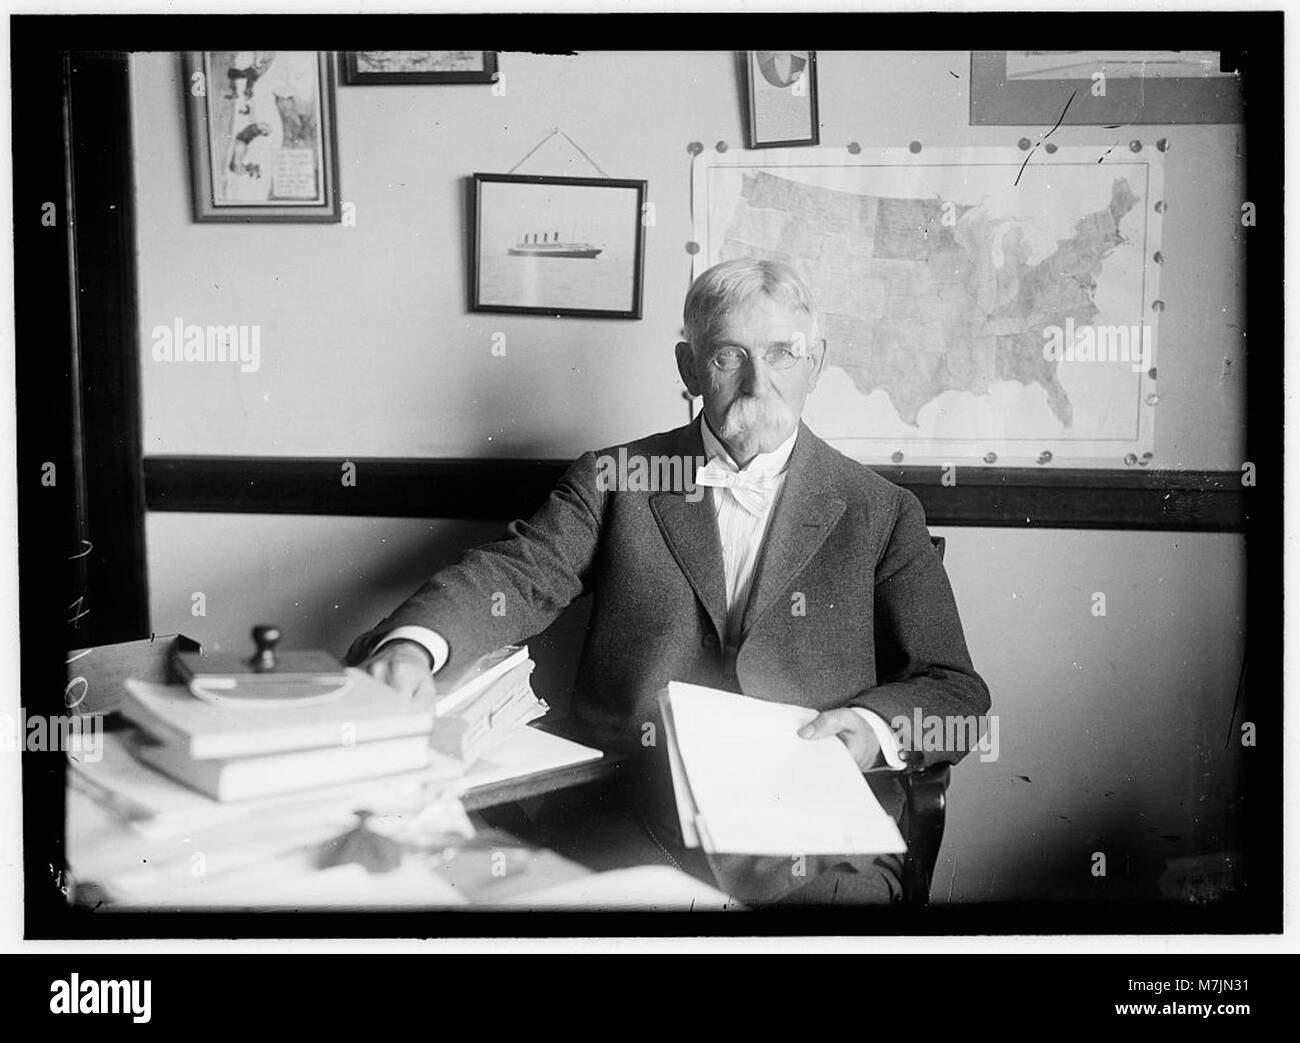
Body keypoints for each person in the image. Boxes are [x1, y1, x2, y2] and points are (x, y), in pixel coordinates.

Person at [348, 258, 990, 904]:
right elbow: (517, 575)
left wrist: (867, 730)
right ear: (688, 367)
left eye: (782, 356)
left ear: (815, 364)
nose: (757, 382)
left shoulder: (880, 509)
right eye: (728, 357)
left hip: (811, 831)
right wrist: (414, 644)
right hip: (635, 811)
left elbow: (955, 691)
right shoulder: (617, 478)